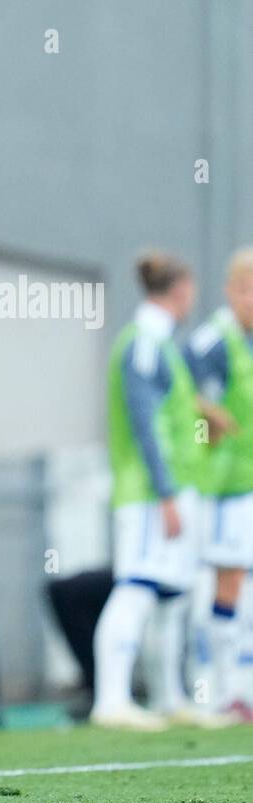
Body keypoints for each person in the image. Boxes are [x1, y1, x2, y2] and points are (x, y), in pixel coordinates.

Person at [92, 252, 226, 731]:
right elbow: (144, 423)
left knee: (171, 595)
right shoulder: (145, 344)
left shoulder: (162, 344)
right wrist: (166, 492)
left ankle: (169, 697)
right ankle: (111, 700)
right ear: (181, 289)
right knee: (135, 589)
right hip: (150, 492)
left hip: (174, 489)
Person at [184, 247, 253, 719]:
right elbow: (185, 404)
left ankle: (235, 688)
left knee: (238, 583)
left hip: (246, 482)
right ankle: (217, 689)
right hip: (222, 486)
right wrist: (209, 423)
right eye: (246, 290)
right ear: (230, 290)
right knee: (223, 582)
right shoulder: (212, 341)